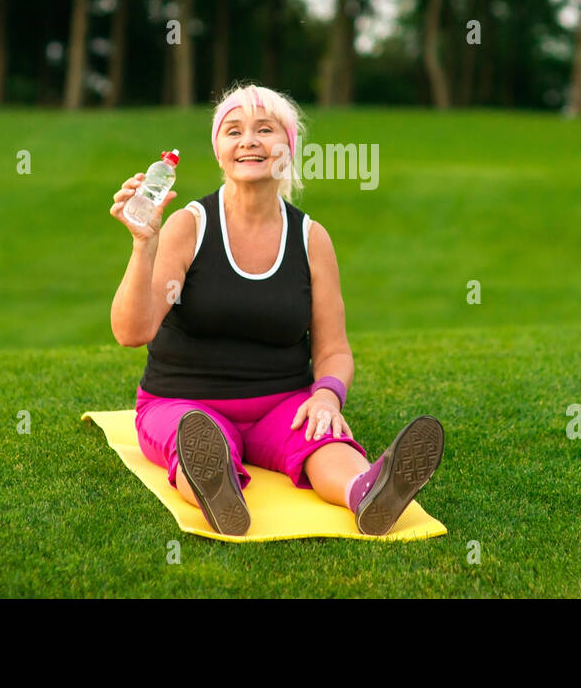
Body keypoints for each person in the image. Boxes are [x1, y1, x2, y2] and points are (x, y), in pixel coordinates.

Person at [109, 82, 444, 536]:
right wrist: (144, 243)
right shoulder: (189, 226)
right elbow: (132, 331)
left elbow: (333, 349)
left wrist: (326, 396)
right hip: (184, 400)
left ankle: (367, 490)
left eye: (264, 130)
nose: (248, 140)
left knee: (322, 439)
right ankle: (218, 487)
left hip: (281, 403)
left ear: (287, 148)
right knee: (197, 440)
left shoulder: (311, 239)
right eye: (234, 131)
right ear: (219, 151)